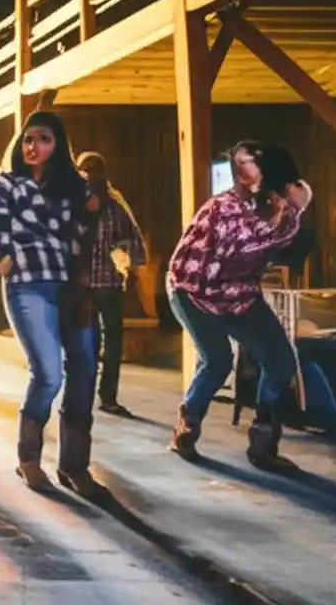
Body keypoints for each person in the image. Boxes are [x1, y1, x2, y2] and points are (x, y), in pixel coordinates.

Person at [167, 141, 311, 472]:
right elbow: (247, 244)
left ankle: (263, 444)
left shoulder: (277, 208)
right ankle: (185, 430)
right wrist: (291, 211)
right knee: (217, 361)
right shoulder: (224, 208)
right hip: (192, 290)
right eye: (241, 163)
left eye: (253, 163)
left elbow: (284, 242)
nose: (245, 169)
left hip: (240, 292)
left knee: (280, 361)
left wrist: (292, 209)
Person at [0, 111, 100, 493]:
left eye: (43, 139)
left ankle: (74, 466)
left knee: (84, 371)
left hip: (70, 286)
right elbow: (4, 229)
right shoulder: (8, 181)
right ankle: (28, 458)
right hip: (27, 283)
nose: (33, 146)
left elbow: (83, 233)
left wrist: (92, 204)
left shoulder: (73, 185)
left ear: (58, 144)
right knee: (48, 374)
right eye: (28, 139)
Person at [75, 152, 147, 416]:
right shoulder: (77, 206)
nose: (90, 176)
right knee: (92, 343)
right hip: (86, 286)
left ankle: (105, 396)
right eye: (87, 171)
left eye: (94, 171)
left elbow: (135, 245)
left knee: (107, 343)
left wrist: (122, 252)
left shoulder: (114, 207)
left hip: (105, 285)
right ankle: (97, 396)